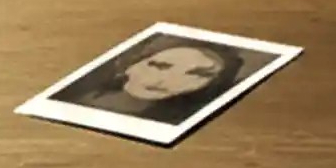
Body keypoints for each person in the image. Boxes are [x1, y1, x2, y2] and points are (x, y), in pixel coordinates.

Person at [50, 38, 244, 125]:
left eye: (198, 74)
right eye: (159, 66)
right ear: (131, 64)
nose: (166, 80)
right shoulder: (77, 94)